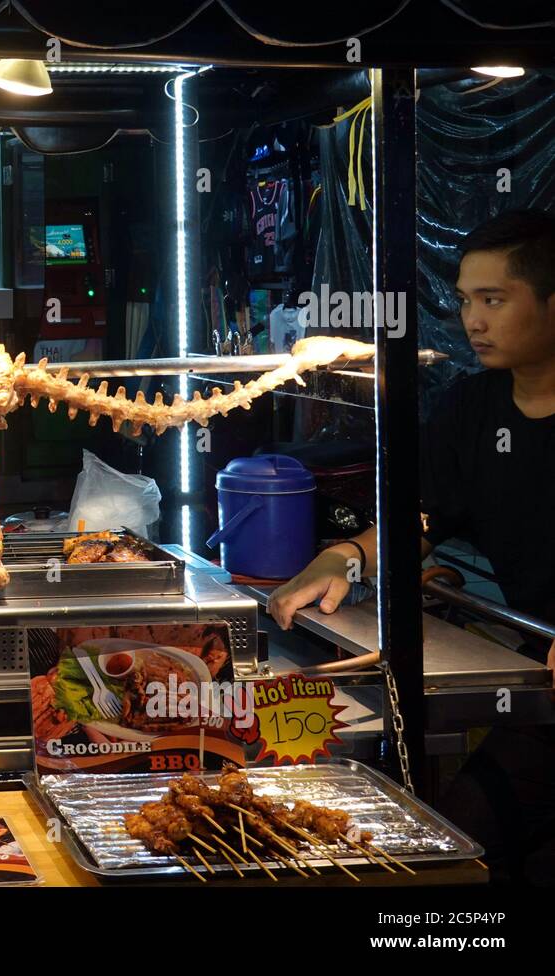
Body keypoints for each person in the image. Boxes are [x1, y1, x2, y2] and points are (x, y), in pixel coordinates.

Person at [268, 209, 555, 884]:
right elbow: (421, 518)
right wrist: (345, 559)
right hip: (539, 681)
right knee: (469, 840)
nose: (472, 321)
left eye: (494, 300)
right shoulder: (472, 409)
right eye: (465, 300)